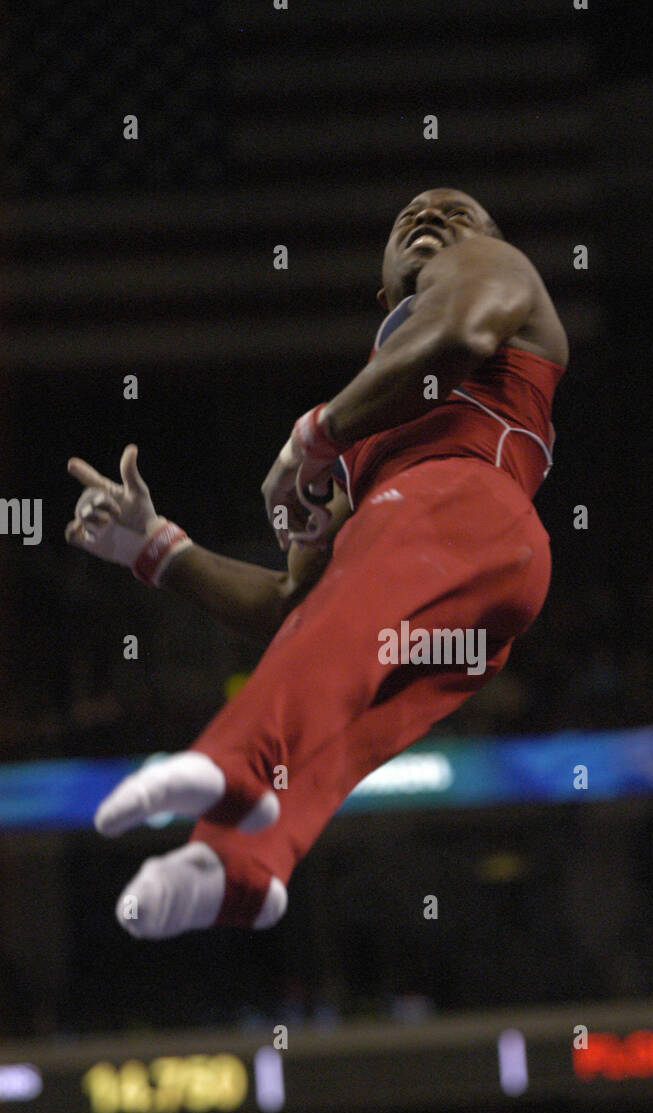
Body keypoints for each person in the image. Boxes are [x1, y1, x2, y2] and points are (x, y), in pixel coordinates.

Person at [65, 188, 568, 938]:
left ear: (486, 242)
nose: (430, 214)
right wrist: (156, 549)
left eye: (457, 212)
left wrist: (313, 435)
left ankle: (233, 764)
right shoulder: (369, 440)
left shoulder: (494, 271)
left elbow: (458, 330)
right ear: (382, 287)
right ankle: (241, 864)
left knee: (343, 628)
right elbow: (296, 609)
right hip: (482, 590)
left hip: (470, 502)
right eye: (409, 217)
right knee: (343, 719)